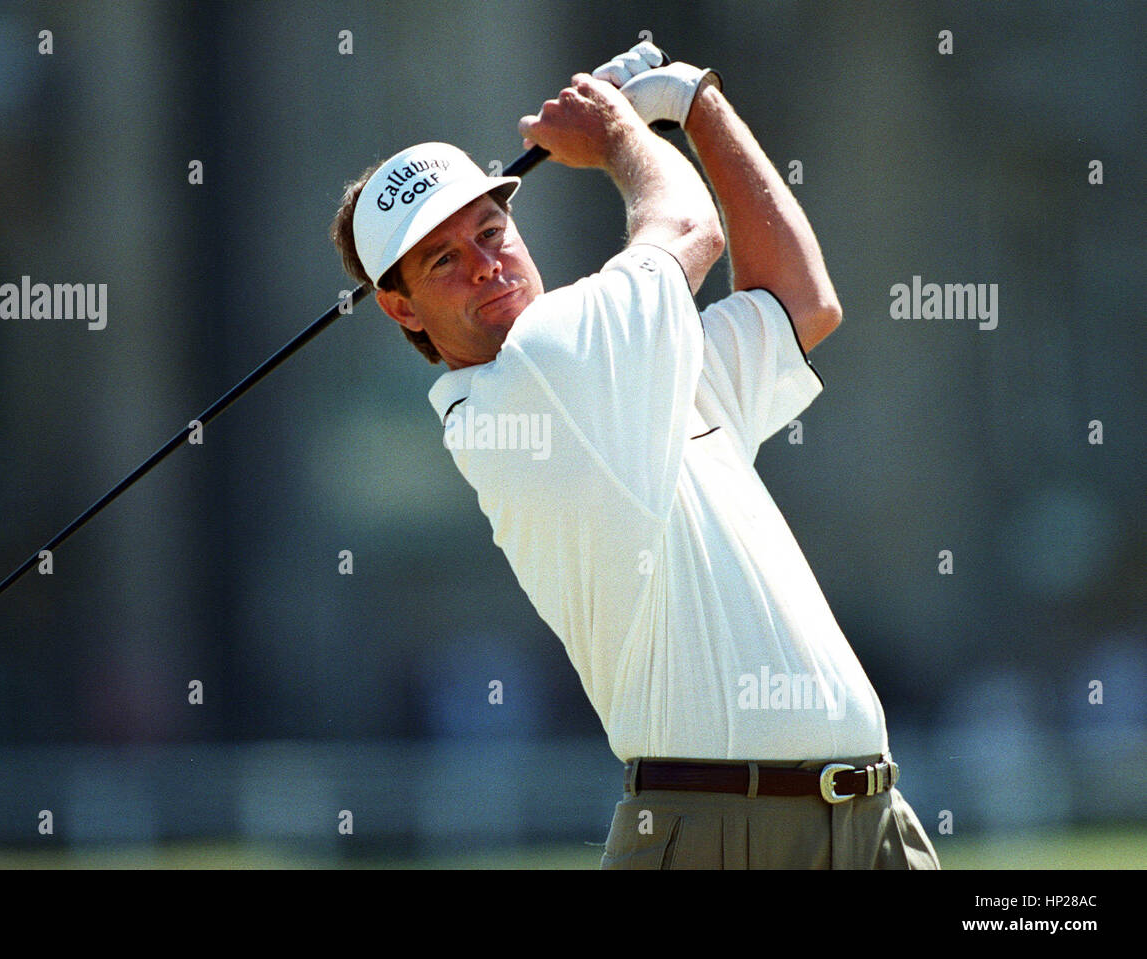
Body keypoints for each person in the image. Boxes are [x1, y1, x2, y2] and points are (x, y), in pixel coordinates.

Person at [330, 43, 940, 869]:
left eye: (491, 229)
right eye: (445, 260)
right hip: (720, 830)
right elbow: (689, 226)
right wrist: (624, 130)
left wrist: (696, 102)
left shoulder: (614, 368)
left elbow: (802, 301)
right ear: (401, 307)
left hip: (868, 820)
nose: (488, 265)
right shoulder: (539, 367)